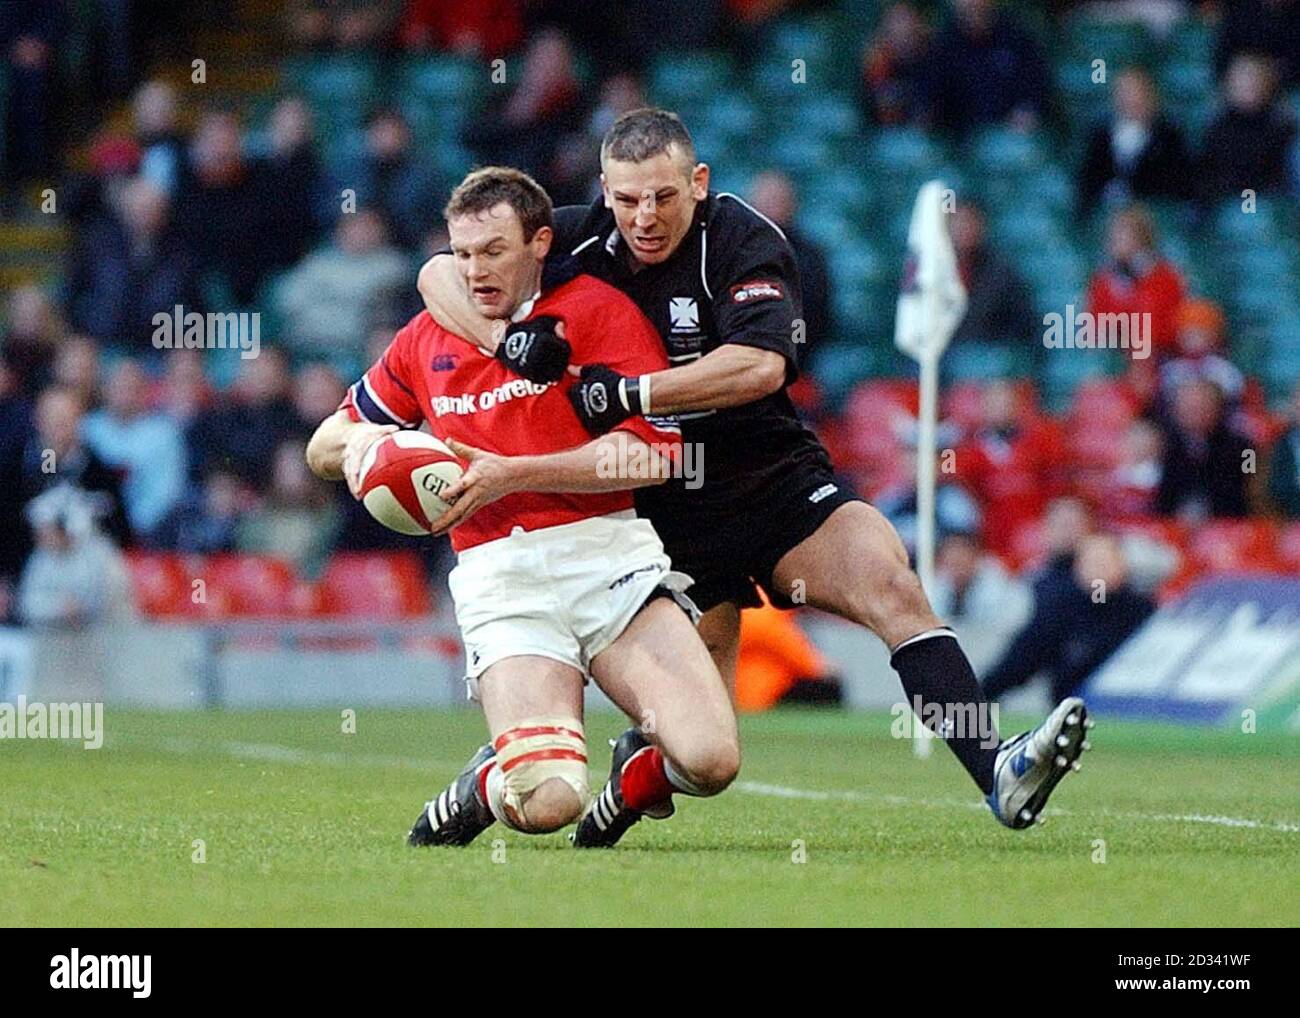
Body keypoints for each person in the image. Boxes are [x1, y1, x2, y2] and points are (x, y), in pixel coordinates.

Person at [417, 109, 1094, 840]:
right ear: (604, 191)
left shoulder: (742, 240)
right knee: (703, 753)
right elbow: (436, 272)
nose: (645, 217)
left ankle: (998, 769)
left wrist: (630, 392)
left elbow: (760, 365)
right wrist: (504, 340)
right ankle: (613, 787)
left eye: (664, 197)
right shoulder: (579, 236)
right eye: (627, 198)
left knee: (891, 582)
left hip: (771, 479)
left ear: (698, 182)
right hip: (659, 516)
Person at [307, 166, 739, 847]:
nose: (476, 270)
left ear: (541, 242)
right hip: (500, 576)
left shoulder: (596, 311)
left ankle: (627, 780)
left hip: (608, 556)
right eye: (464, 254)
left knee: (712, 761)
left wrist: (515, 473)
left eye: (494, 251)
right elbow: (323, 444)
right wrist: (364, 449)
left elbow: (653, 455)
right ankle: (488, 782)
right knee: (547, 804)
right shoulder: (424, 339)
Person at [982, 534, 1154, 704]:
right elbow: (1021, 660)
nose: (1099, 572)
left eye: (1105, 563)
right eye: (1092, 563)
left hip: (1127, 704)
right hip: (1070, 706)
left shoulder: (1142, 611)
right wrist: (979, 694)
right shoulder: (1060, 609)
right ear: (1078, 568)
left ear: (1122, 566)